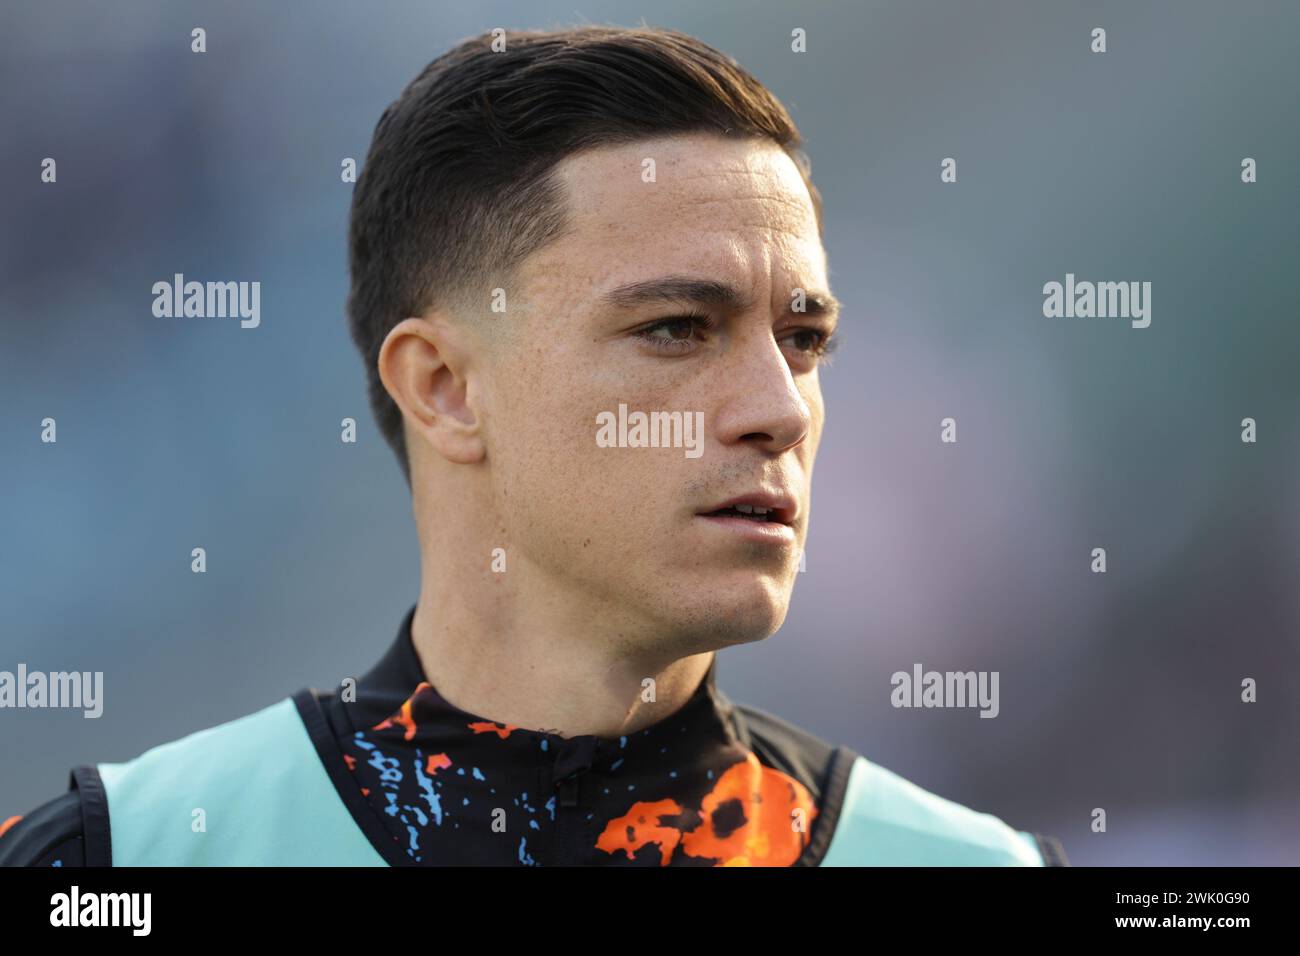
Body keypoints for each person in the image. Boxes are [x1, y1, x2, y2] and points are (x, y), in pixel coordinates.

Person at [0, 25, 1067, 867]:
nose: (779, 406)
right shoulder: (122, 860)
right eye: (674, 329)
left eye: (802, 338)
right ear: (446, 389)